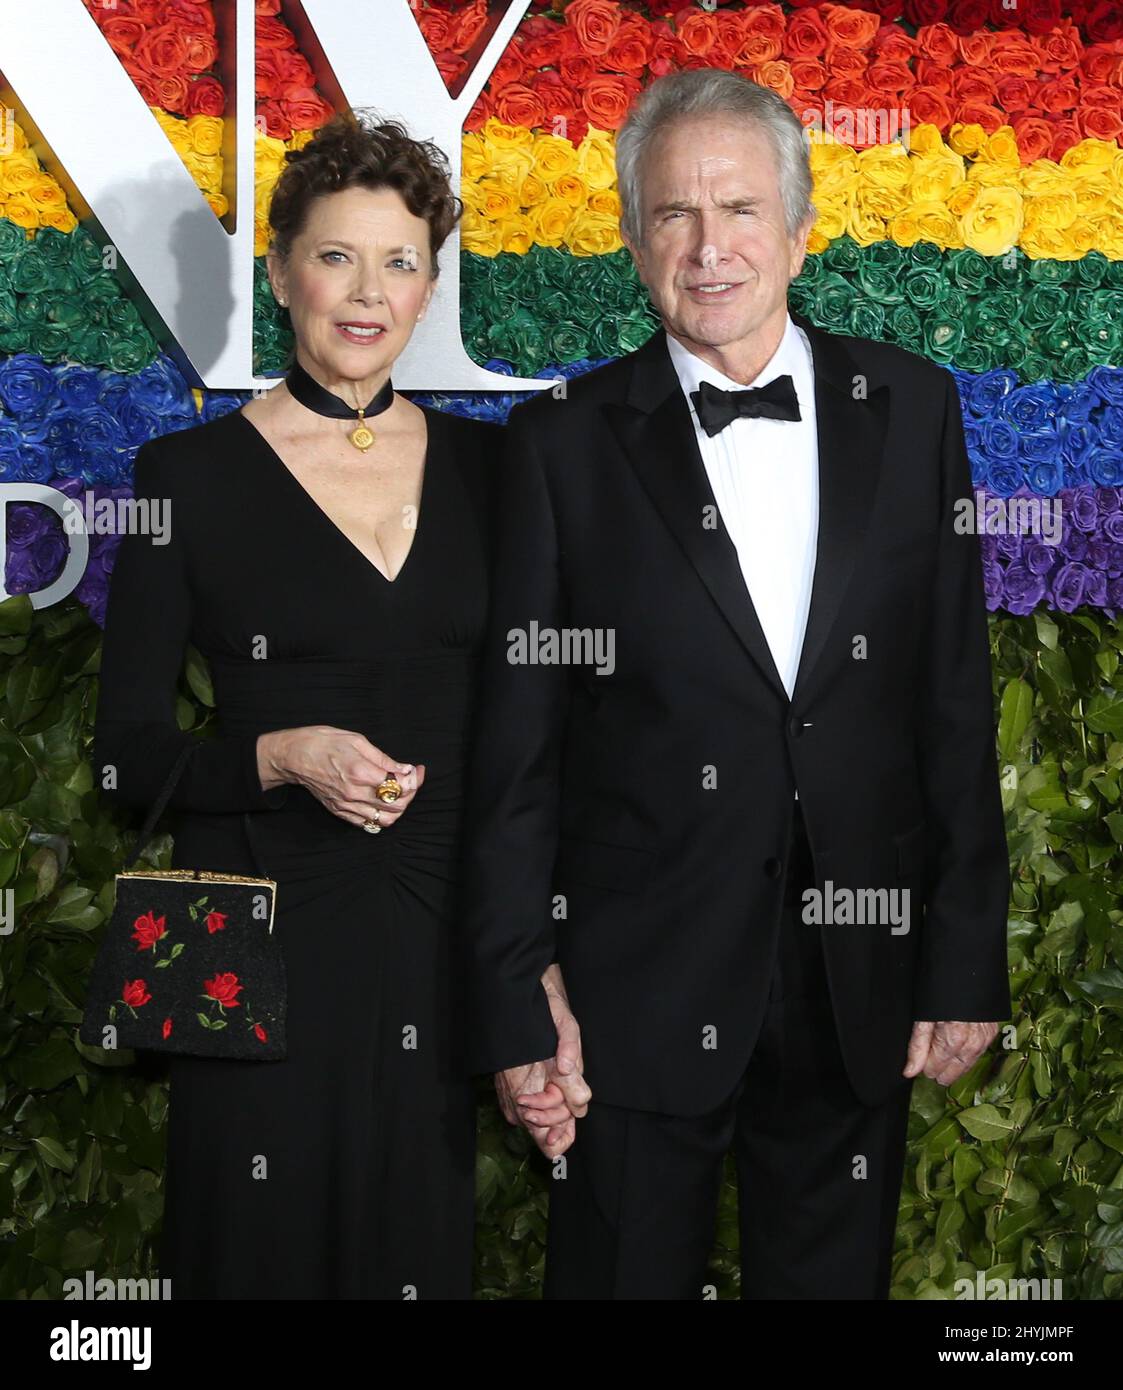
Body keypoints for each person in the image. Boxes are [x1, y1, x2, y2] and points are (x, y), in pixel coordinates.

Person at [460, 69, 1011, 1300]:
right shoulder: (561, 445)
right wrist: (514, 989)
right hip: (627, 998)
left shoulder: (911, 408)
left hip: (852, 980)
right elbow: (517, 751)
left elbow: (952, 701)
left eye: (740, 210)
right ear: (630, 238)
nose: (710, 249)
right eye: (673, 216)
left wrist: (965, 955)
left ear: (801, 229)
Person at [94, 110, 499, 1299]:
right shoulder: (190, 480)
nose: (366, 293)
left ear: (430, 287)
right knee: (255, 1257)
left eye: (400, 261)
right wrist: (277, 753)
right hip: (257, 947)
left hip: (439, 934)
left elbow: (544, 720)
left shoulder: (497, 469)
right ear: (279, 272)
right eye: (336, 257)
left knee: (415, 1249)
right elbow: (125, 758)